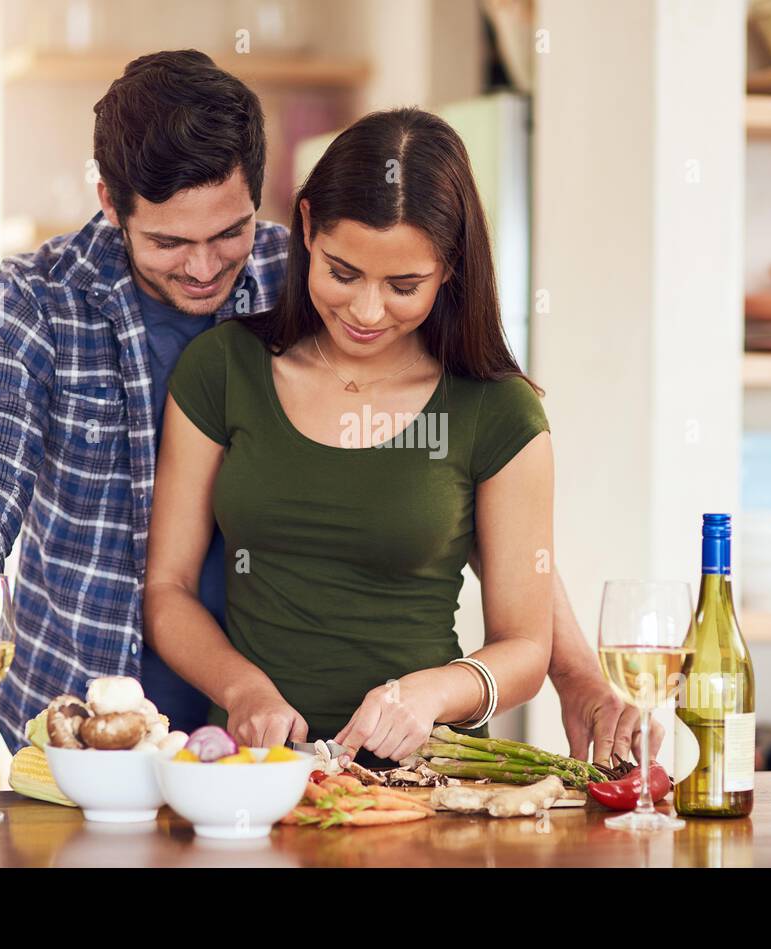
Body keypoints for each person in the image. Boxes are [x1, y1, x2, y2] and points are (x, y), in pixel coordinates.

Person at [0, 50, 657, 813]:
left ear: (267, 198)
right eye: (167, 242)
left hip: (298, 754)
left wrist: (573, 673)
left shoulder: (313, 275)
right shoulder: (37, 303)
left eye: (227, 231)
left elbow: (470, 477)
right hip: (99, 737)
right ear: (111, 201)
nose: (202, 267)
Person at [146, 107, 552, 761]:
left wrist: (428, 695)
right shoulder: (222, 370)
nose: (366, 311)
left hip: (426, 783)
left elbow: (527, 646)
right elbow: (168, 588)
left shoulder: (498, 410)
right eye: (343, 272)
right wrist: (243, 688)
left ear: (449, 268)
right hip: (256, 773)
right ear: (306, 227)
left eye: (404, 285)